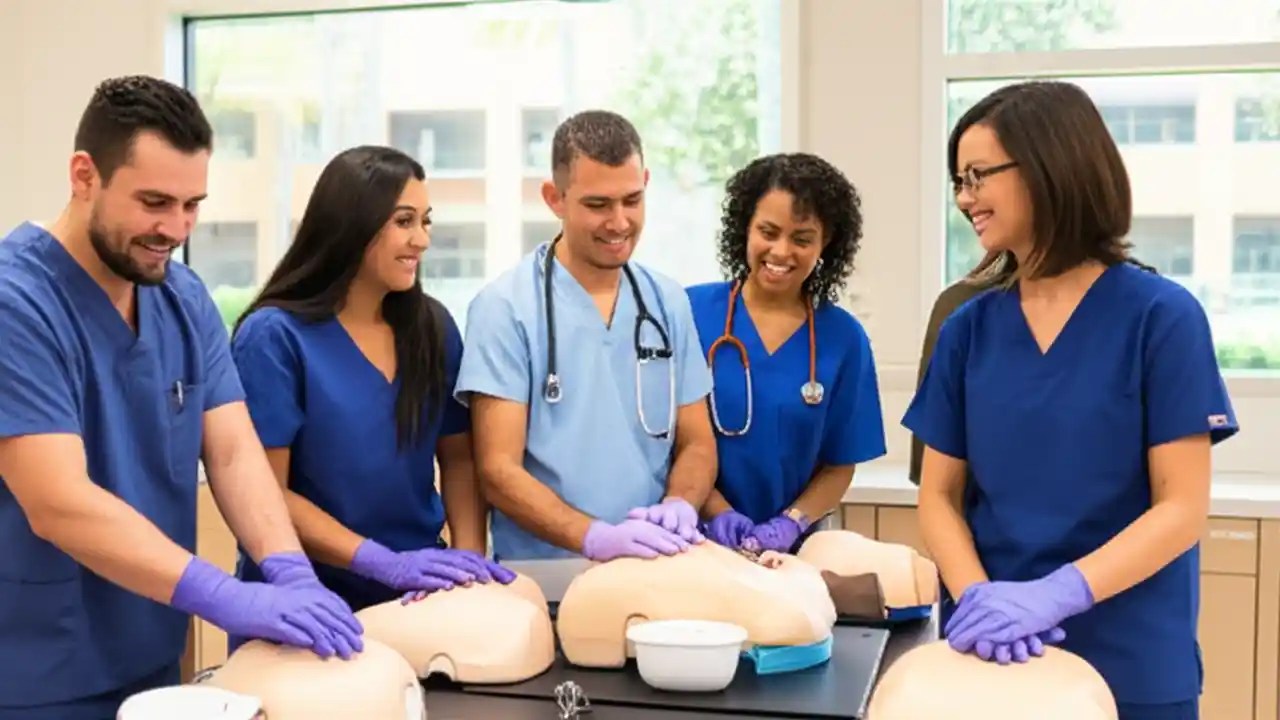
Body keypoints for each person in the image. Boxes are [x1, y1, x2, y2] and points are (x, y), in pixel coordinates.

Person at [0, 75, 363, 719]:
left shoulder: (182, 296)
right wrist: (227, 596)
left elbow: (231, 451)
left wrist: (288, 568)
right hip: (37, 676)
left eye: (192, 204)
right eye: (154, 201)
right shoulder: (17, 303)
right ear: (85, 175)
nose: (175, 227)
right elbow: (57, 502)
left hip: (155, 659)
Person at [902, 80, 1238, 719]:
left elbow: (1182, 508)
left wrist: (1057, 594)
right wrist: (981, 601)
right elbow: (939, 495)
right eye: (958, 181)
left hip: (1130, 657)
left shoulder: (1161, 318)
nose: (964, 198)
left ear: (1048, 165)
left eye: (978, 175)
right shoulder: (967, 330)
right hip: (993, 656)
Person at [228, 145, 514, 645]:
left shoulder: (432, 327)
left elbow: (460, 459)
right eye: (404, 221)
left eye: (426, 221)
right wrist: (382, 563)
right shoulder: (274, 337)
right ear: (352, 224)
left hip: (417, 600)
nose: (421, 239)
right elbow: (264, 494)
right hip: (305, 606)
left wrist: (468, 565)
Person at [454, 110, 718, 561]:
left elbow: (697, 441)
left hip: (655, 567)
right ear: (554, 198)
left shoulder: (667, 302)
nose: (619, 222)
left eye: (632, 200)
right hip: (545, 581)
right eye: (598, 205)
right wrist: (593, 537)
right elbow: (498, 470)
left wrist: (681, 502)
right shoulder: (505, 309)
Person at [686, 152, 887, 555]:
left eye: (801, 239)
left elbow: (839, 464)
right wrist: (717, 510)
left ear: (825, 243)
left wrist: (791, 523)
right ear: (745, 228)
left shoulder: (844, 338)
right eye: (768, 231)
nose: (781, 251)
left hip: (794, 556)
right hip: (694, 540)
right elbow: (672, 441)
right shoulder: (689, 313)